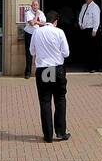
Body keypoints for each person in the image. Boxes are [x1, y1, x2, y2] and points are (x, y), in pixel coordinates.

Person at [29, 10, 71, 142]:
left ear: (46, 19)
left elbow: (32, 51)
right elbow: (66, 53)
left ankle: (48, 135)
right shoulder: (59, 32)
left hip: (44, 69)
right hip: (56, 67)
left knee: (45, 101)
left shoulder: (37, 31)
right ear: (56, 21)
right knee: (60, 100)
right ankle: (60, 132)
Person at [78, 0, 101, 72]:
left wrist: (95, 30)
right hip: (84, 29)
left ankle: (94, 67)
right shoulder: (84, 6)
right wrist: (80, 24)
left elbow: (96, 20)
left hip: (91, 30)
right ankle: (88, 66)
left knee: (93, 50)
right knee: (86, 49)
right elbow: (80, 16)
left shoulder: (95, 7)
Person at [23, 0, 44, 79]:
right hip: (29, 34)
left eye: (36, 5)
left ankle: (39, 73)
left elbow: (44, 23)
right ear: (31, 6)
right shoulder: (28, 13)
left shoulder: (41, 13)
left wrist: (36, 21)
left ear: (38, 6)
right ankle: (27, 72)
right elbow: (31, 24)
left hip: (38, 35)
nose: (35, 6)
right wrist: (37, 17)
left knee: (39, 53)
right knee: (29, 53)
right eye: (34, 5)